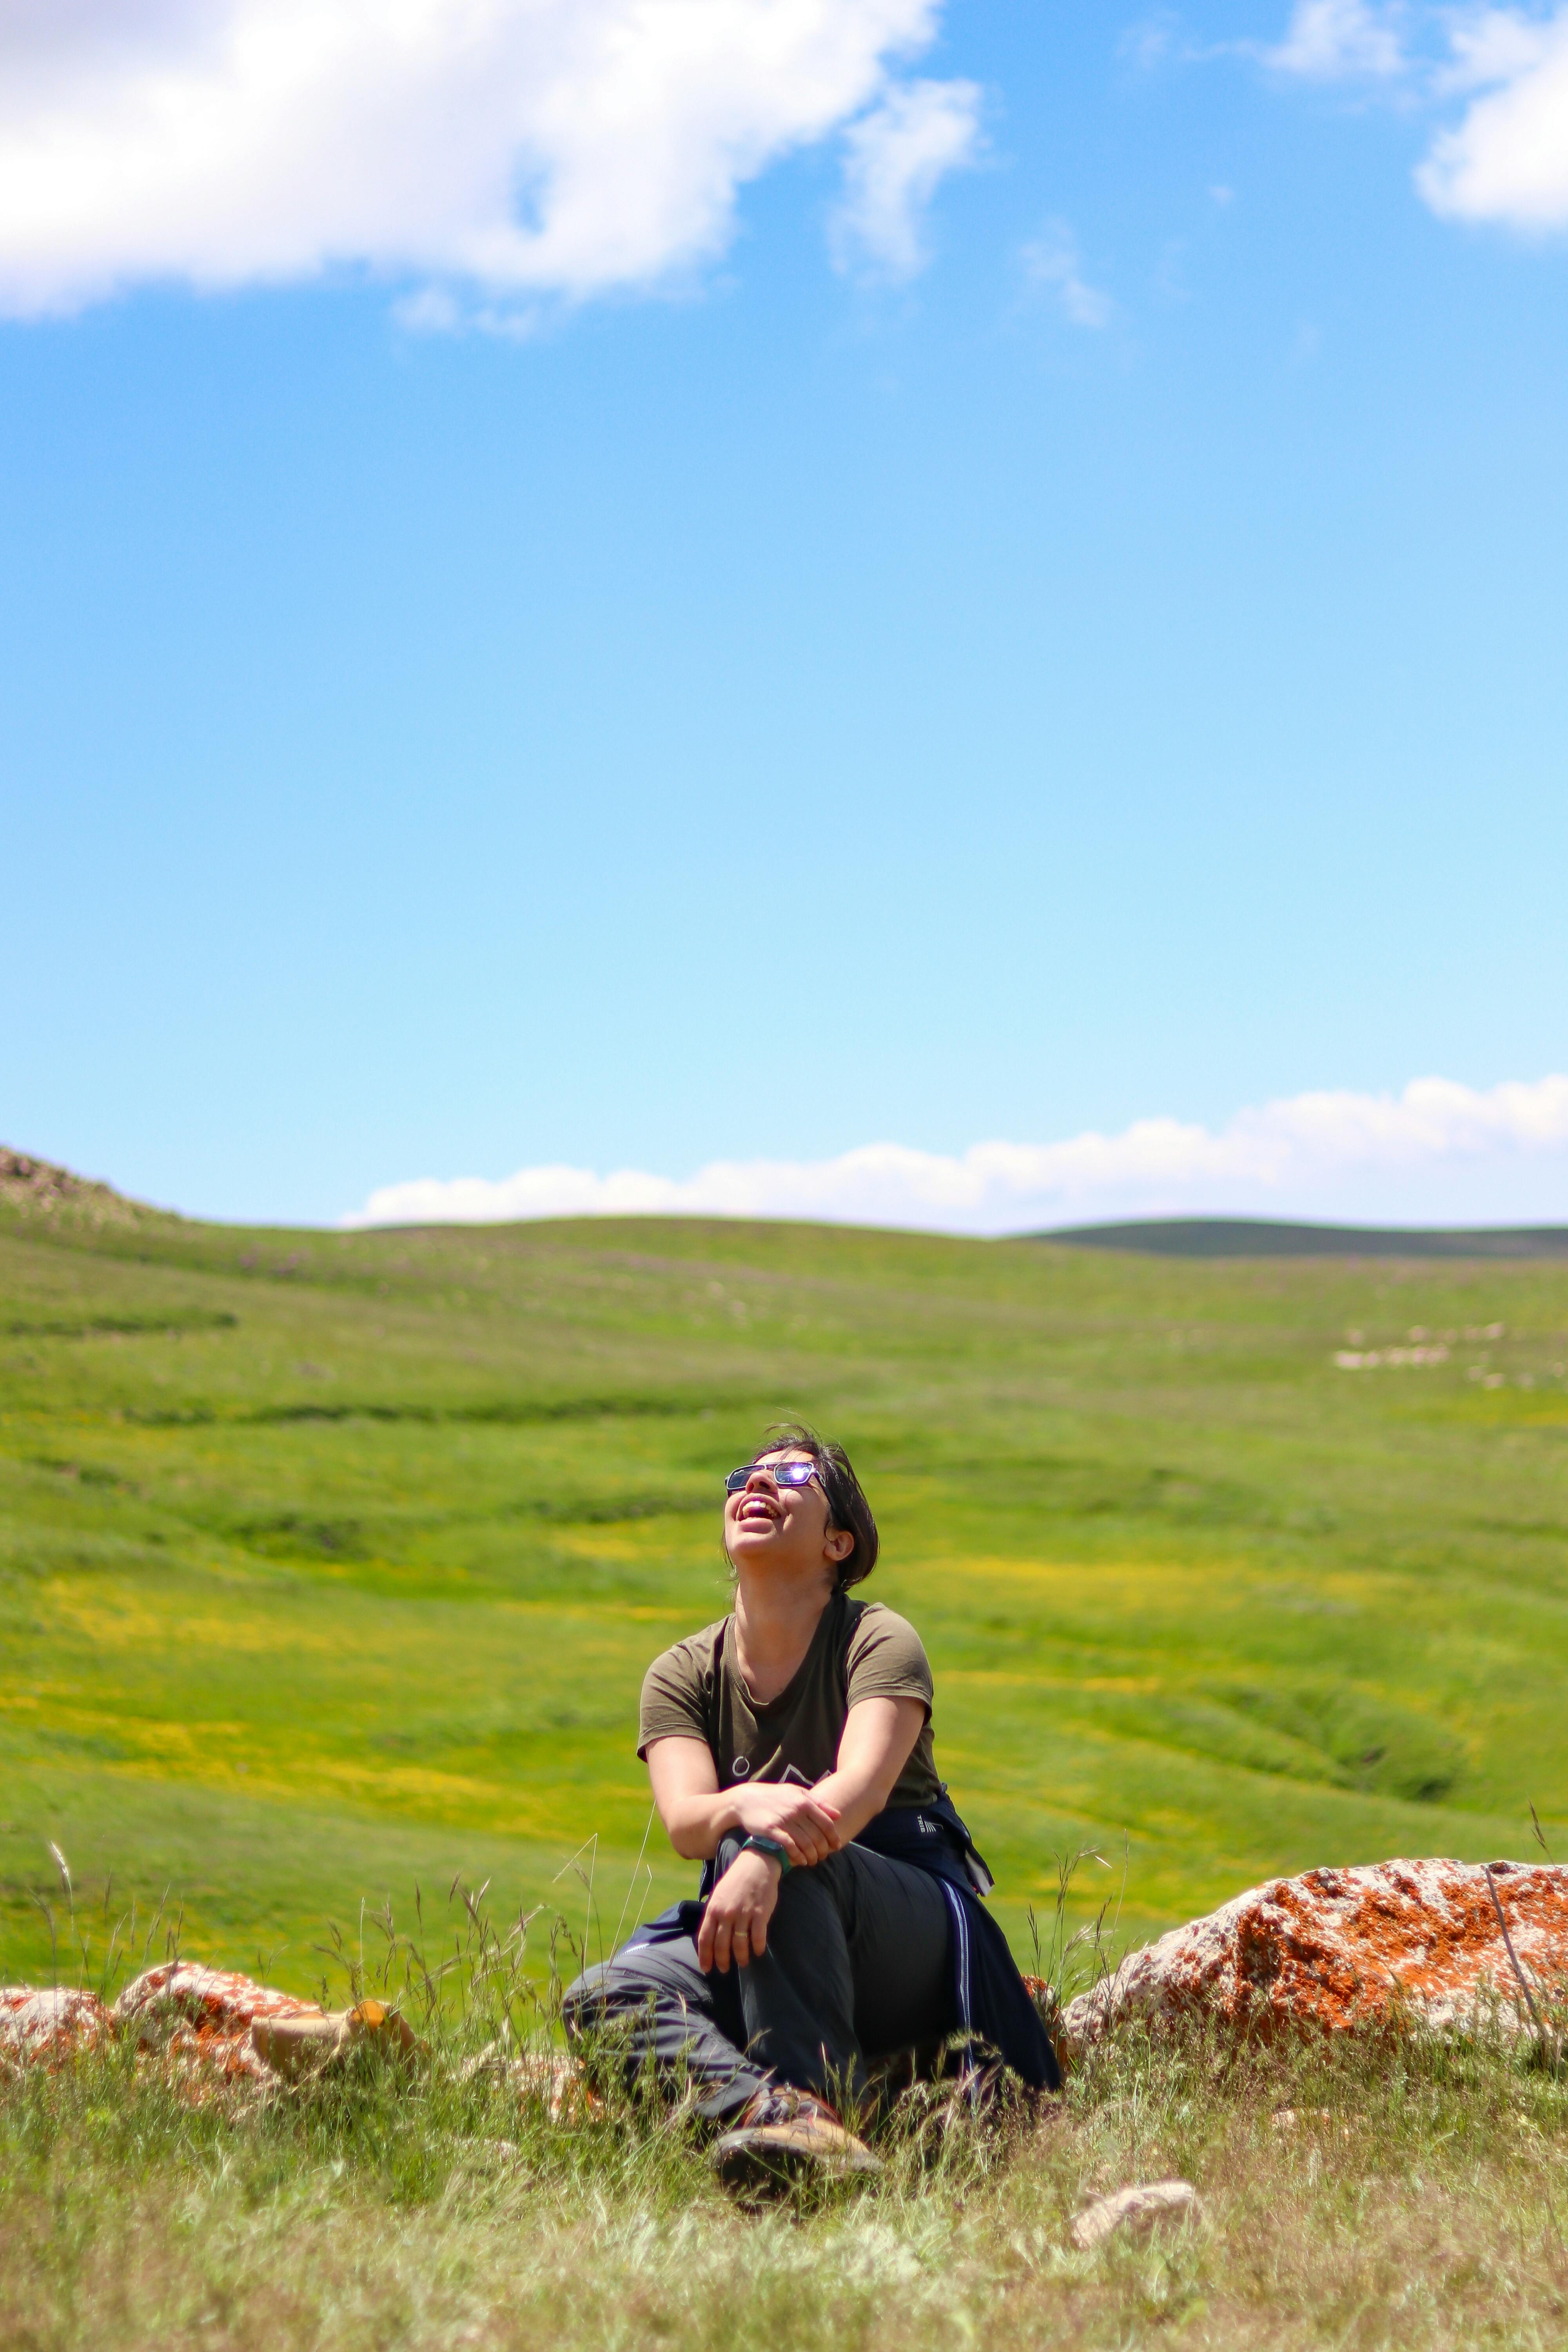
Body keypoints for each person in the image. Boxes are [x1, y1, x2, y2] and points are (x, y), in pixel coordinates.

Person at [563, 1423, 1060, 2189]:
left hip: (902, 1934)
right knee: (605, 1996)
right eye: (745, 1477)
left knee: (772, 1852)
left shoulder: (877, 1638)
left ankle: (819, 2108)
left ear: (838, 1543)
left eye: (791, 1480)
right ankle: (773, 2122)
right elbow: (685, 1822)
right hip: (769, 1928)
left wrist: (759, 1846)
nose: (756, 1486)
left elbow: (852, 1797)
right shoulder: (681, 1672)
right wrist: (750, 1808)